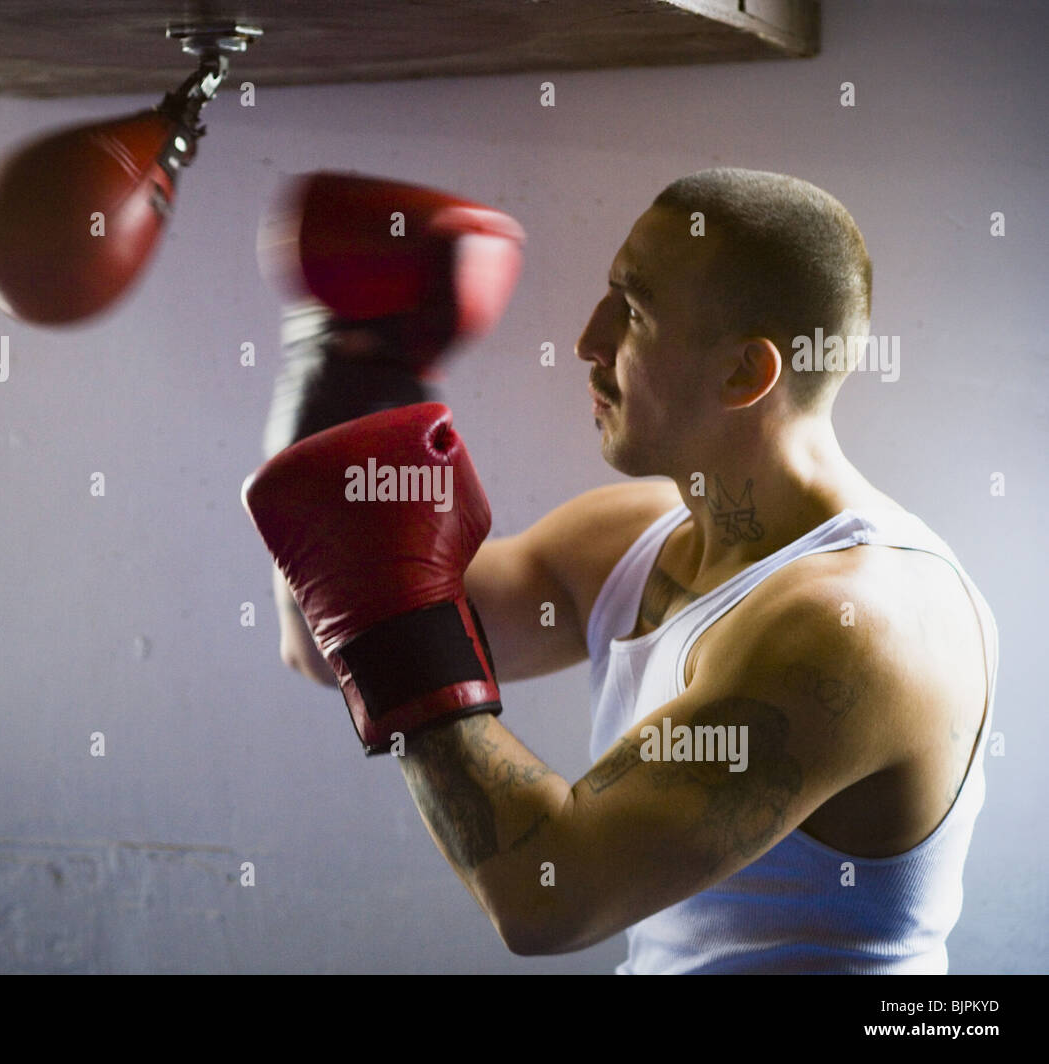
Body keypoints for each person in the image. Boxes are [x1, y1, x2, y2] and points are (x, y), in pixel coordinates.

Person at [248, 167, 998, 974]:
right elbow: (329, 641)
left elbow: (549, 896)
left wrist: (397, 630)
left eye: (633, 312)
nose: (587, 341)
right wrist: (352, 367)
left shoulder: (852, 627)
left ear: (747, 374)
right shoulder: (627, 543)